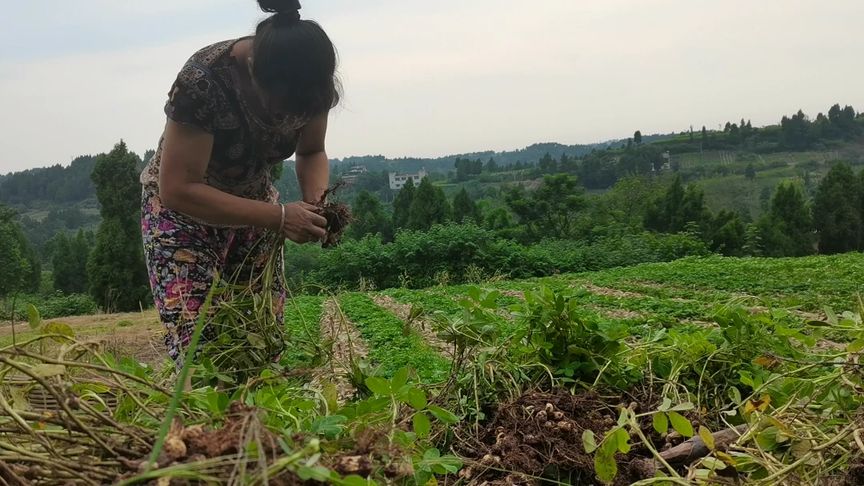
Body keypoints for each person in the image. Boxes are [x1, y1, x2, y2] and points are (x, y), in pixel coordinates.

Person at [140, 0, 339, 365]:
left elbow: (311, 152)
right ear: (252, 70)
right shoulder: (203, 81)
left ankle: (258, 422)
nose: (283, 117)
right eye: (278, 106)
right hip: (183, 219)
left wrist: (317, 204)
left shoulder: (310, 82)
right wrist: (280, 217)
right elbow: (179, 188)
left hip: (255, 215)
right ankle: (203, 422)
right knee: (202, 348)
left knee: (260, 339)